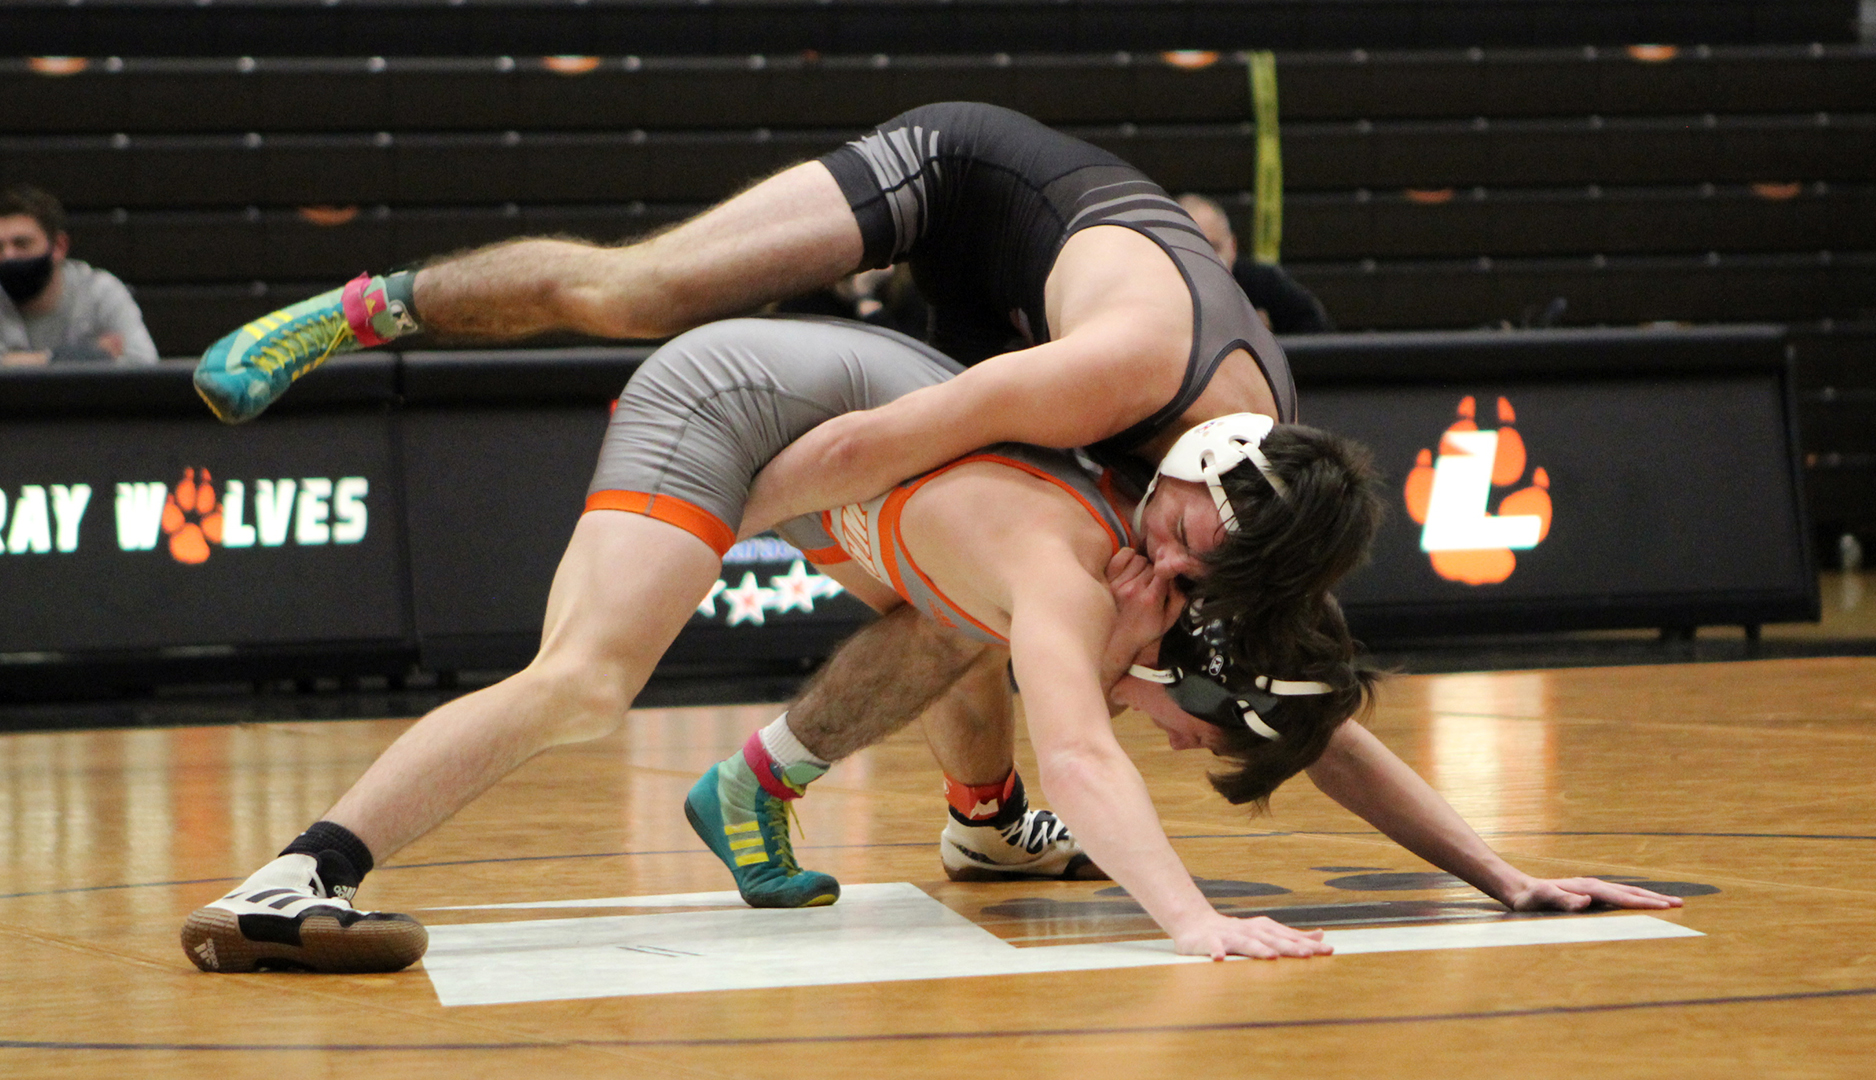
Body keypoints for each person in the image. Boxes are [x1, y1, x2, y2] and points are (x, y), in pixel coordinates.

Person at [180, 317, 1683, 976]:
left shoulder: (1185, 575)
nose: (1160, 564)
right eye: (1170, 537)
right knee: (587, 678)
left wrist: (1503, 875)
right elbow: (1087, 749)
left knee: (974, 645)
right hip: (748, 408)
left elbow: (1324, 732)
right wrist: (1191, 918)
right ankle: (298, 875)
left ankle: (947, 817)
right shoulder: (1083, 570)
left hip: (859, 452)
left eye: (1188, 572)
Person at [190, 103, 1321, 885]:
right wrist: (696, 533)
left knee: (984, 600)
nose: (1168, 569)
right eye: (1179, 549)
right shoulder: (1123, 379)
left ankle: (978, 821)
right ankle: (363, 307)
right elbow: (863, 447)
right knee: (640, 291)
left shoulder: (1247, 504)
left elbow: (1305, 686)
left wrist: (1464, 857)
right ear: (1202, 477)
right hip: (958, 179)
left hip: (1014, 316)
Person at [1, 184, 159, 366]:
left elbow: (144, 363)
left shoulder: (99, 292)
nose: (8, 256)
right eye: (0, 248)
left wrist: (16, 361)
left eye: (22, 244)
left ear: (59, 246)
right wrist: (72, 357)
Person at [1176, 193, 1335, 335]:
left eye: (1214, 248)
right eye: (1191, 249)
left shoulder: (1263, 286)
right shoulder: (1161, 295)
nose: (1205, 259)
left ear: (1232, 247)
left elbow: (1320, 339)